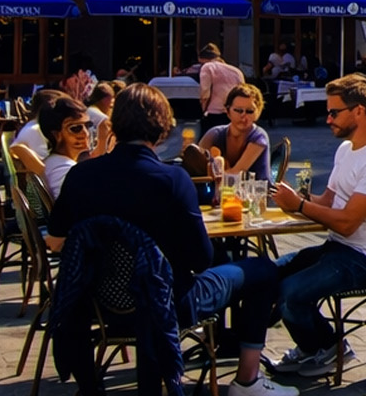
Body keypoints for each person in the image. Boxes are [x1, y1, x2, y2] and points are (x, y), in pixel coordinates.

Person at [47, 83, 291, 395]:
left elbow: (55, 242)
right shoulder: (172, 179)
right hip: (168, 302)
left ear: (115, 123)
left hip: (96, 303)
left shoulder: (80, 176)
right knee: (262, 270)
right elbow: (200, 260)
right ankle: (247, 381)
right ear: (162, 128)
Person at [267, 75, 366, 377]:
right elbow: (329, 201)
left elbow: (347, 224)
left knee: (291, 293)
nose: (327, 118)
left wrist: (301, 206)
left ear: (358, 111)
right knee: (268, 275)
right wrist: (297, 197)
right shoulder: (346, 150)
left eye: (334, 112)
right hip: (339, 249)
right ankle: (310, 348)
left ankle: (330, 349)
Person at [201, 84, 271, 180]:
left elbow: (236, 173)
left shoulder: (258, 137)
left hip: (256, 193)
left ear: (258, 113)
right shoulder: (215, 134)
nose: (243, 115)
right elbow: (195, 161)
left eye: (249, 111)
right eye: (238, 110)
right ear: (227, 111)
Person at [37, 94, 95, 202]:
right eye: (76, 128)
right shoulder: (63, 170)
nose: (86, 133)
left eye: (87, 125)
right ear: (56, 135)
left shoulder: (54, 163)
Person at [196, 44, 244, 137]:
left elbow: (205, 93)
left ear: (204, 59)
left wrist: (203, 109)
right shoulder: (236, 71)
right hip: (233, 113)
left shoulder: (207, 67)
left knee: (206, 145)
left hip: (214, 113)